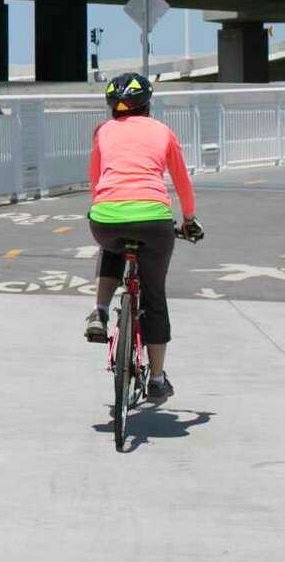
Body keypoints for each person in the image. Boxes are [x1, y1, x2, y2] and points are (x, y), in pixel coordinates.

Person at [83, 72, 204, 402]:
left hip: (107, 216)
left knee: (111, 247)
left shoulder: (103, 133)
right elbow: (182, 183)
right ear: (147, 105)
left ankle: (100, 311)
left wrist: (106, 207)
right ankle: (158, 379)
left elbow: (96, 181)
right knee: (153, 297)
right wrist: (189, 220)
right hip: (154, 221)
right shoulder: (163, 132)